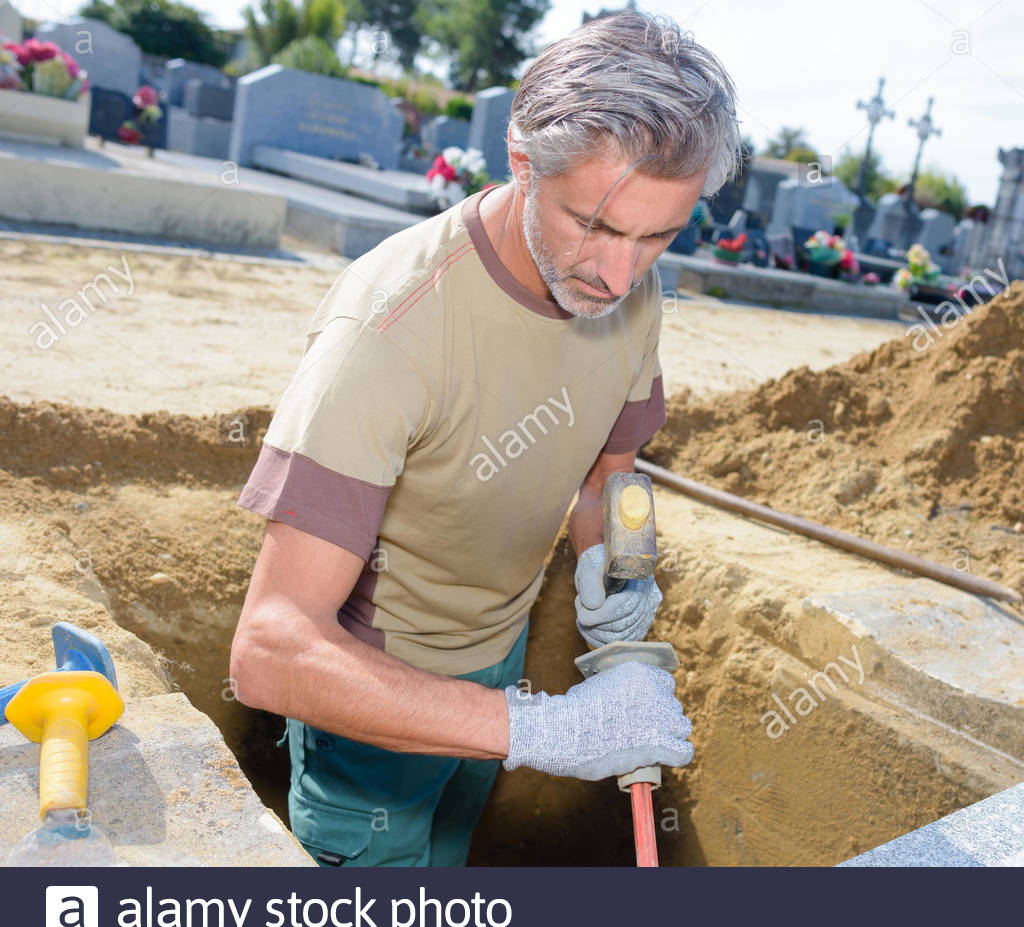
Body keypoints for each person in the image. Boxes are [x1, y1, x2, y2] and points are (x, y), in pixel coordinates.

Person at [228, 10, 743, 867]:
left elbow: (613, 474)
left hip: (500, 666)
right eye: (597, 226)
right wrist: (543, 730)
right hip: (376, 719)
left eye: (659, 236)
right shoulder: (390, 329)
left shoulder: (631, 292)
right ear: (520, 160)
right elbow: (271, 648)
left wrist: (624, 574)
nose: (621, 273)